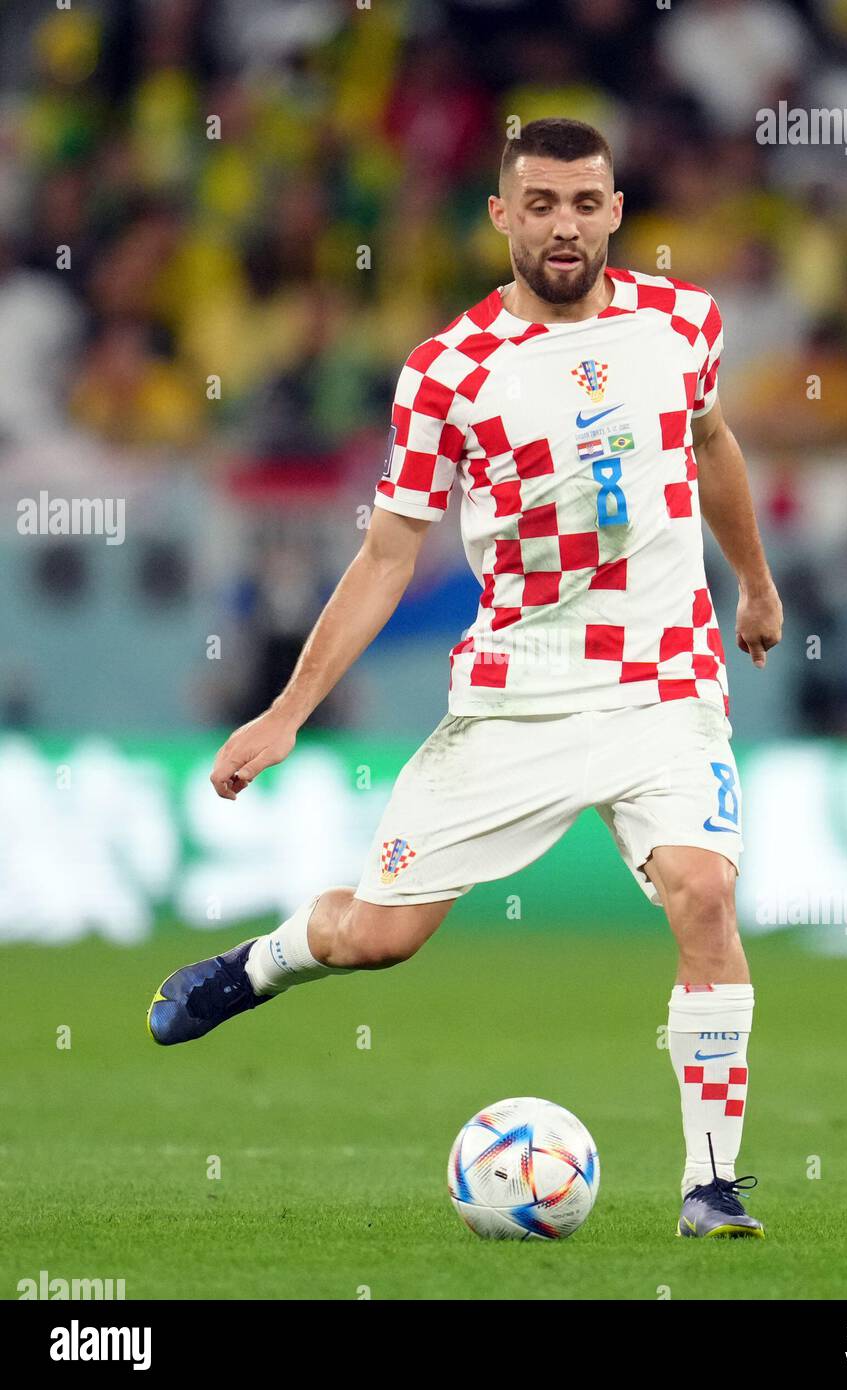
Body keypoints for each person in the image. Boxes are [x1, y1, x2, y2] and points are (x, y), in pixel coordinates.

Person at [147, 119, 783, 1240]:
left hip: (663, 681)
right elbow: (388, 553)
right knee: (375, 939)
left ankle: (711, 1183)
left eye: (584, 203)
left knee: (703, 889)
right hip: (515, 694)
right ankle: (259, 964)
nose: (563, 226)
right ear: (501, 215)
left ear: (616, 211)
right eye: (538, 204)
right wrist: (289, 710)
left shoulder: (684, 322)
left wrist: (756, 584)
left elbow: (715, 441)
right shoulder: (449, 372)